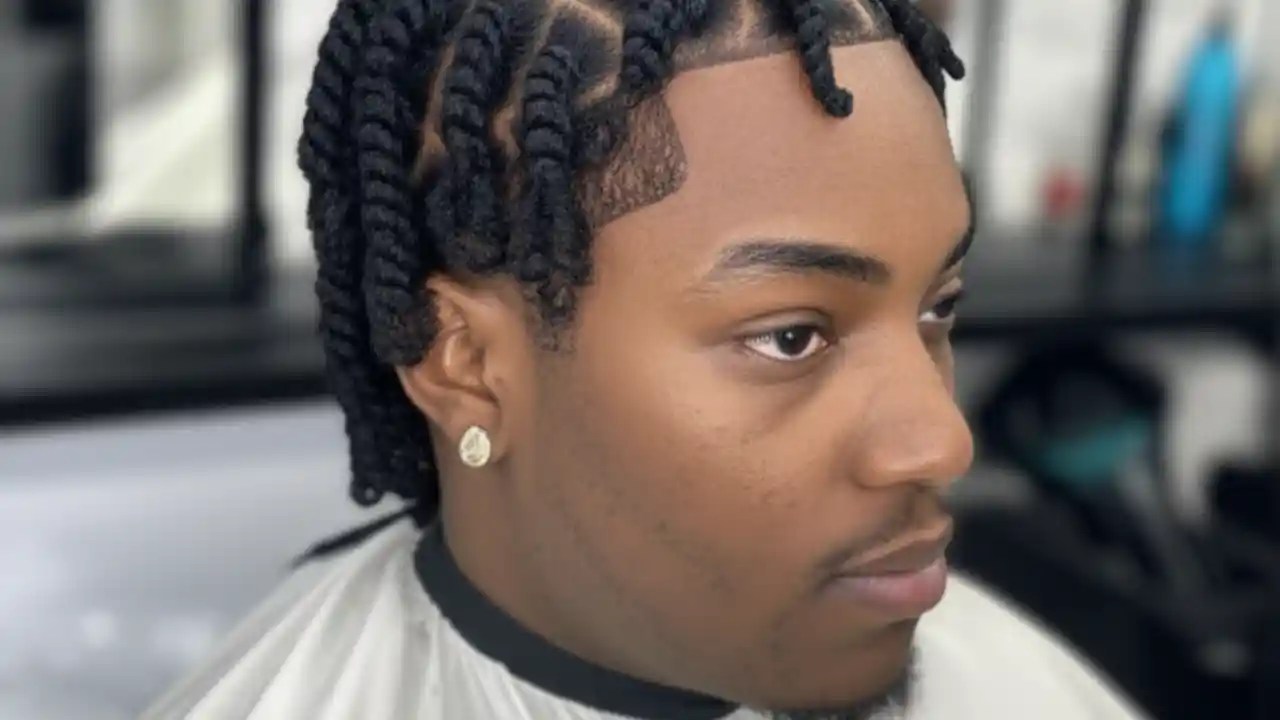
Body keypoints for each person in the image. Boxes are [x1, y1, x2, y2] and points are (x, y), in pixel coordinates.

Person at [144, 0, 1146, 718]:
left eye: (938, 307)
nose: (939, 441)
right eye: (789, 336)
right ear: (463, 366)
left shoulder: (1013, 678)